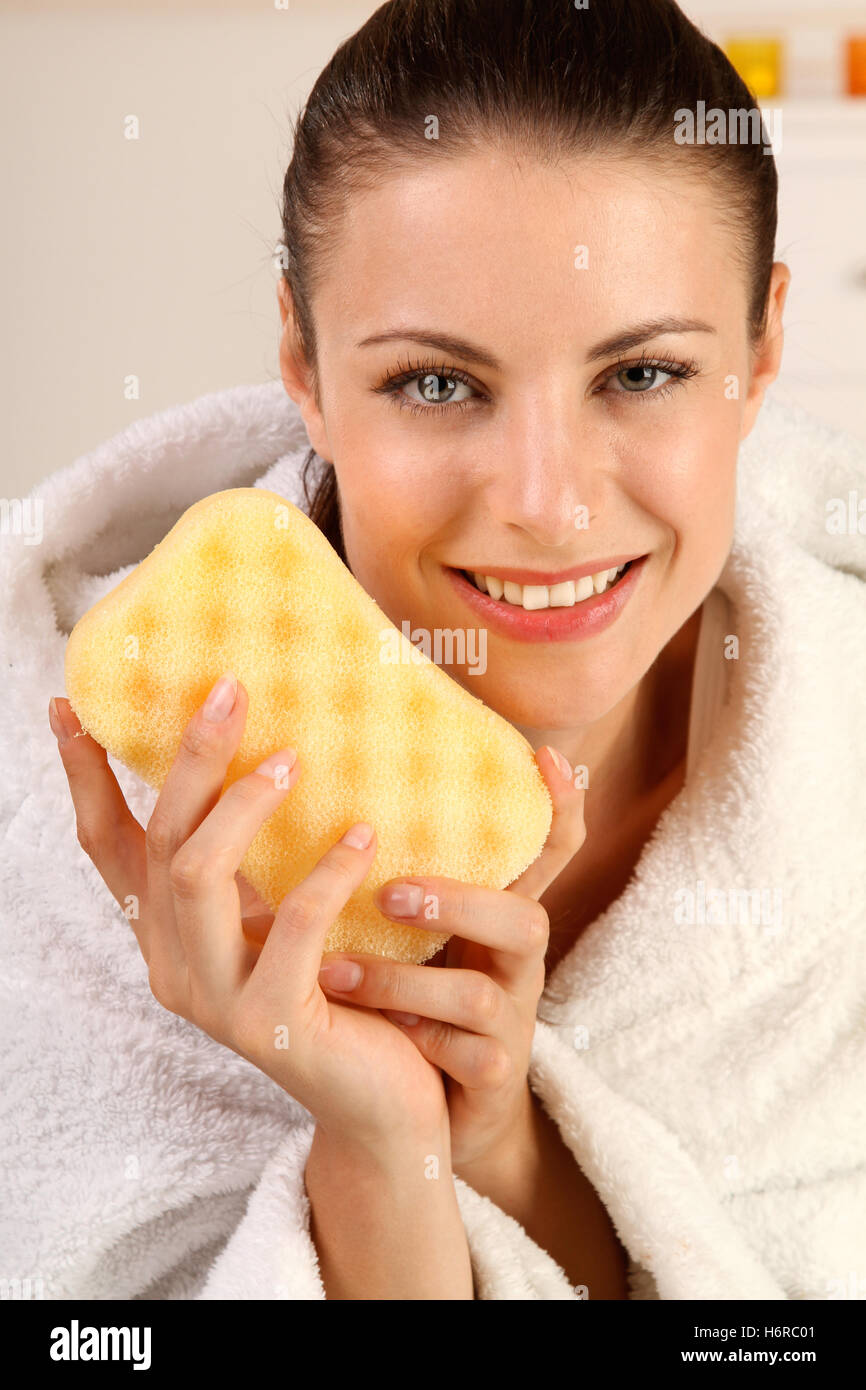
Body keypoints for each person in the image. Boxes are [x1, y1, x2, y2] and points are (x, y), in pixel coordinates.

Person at [6, 0, 864, 1300]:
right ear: (300, 356)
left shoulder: (839, 812)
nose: (545, 498)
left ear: (760, 349)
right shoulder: (45, 857)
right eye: (437, 382)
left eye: (638, 375)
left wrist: (498, 1147)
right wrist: (378, 1147)